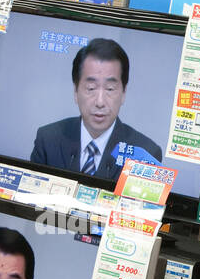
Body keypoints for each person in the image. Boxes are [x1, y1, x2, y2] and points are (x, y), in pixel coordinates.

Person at [30, 38, 163, 182]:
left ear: (124, 93)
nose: (100, 102)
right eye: (91, 88)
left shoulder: (146, 153)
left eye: (110, 89)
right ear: (76, 92)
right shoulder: (48, 139)